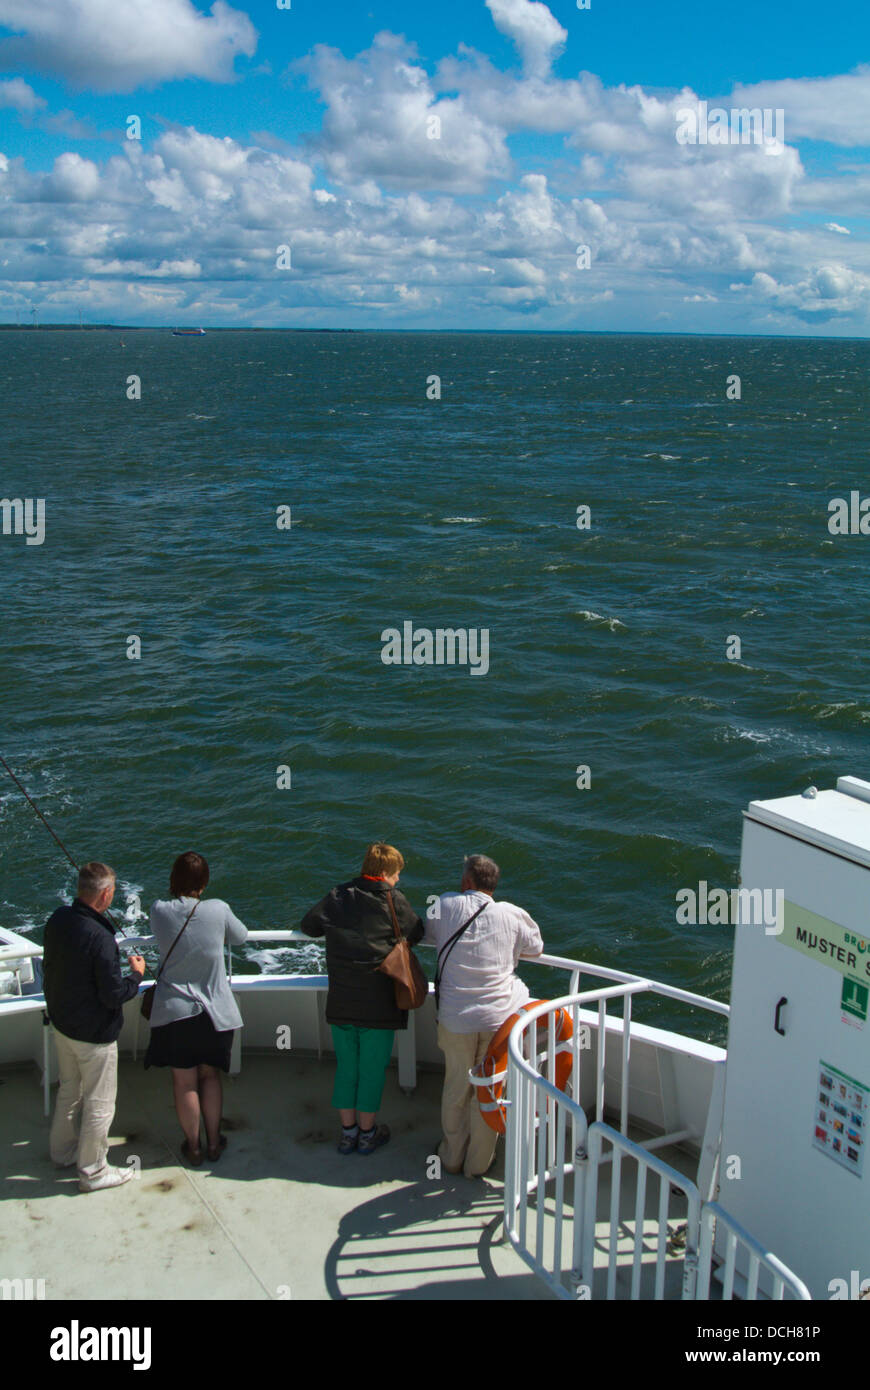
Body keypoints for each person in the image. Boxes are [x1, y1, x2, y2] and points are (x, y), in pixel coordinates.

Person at [425, 854, 543, 1178]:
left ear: (466, 882)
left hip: (456, 1020)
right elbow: (537, 948)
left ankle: (450, 1157)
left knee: (455, 1090)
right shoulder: (512, 914)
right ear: (494, 884)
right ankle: (478, 1163)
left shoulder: (446, 905)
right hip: (497, 1022)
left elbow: (424, 934)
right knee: (488, 1092)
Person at [301, 843, 424, 1155]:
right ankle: (367, 1134)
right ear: (383, 873)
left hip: (342, 1000)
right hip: (379, 1005)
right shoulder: (393, 899)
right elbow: (417, 932)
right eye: (396, 875)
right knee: (371, 1070)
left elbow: (309, 926)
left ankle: (347, 1133)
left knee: (346, 1068)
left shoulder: (338, 895)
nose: (397, 881)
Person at [43, 861, 146, 1192]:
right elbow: (114, 995)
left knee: (70, 1091)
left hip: (63, 1025)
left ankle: (62, 1153)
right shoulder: (101, 938)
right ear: (105, 894)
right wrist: (137, 975)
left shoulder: (58, 918)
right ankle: (93, 1171)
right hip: (94, 1037)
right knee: (100, 1104)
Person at [144, 851, 247, 1166]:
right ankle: (215, 1143)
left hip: (175, 1013)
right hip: (214, 1014)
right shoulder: (217, 909)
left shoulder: (159, 910)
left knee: (184, 1082)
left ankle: (194, 1147)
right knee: (210, 1077)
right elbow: (240, 937)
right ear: (204, 882)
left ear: (174, 880)